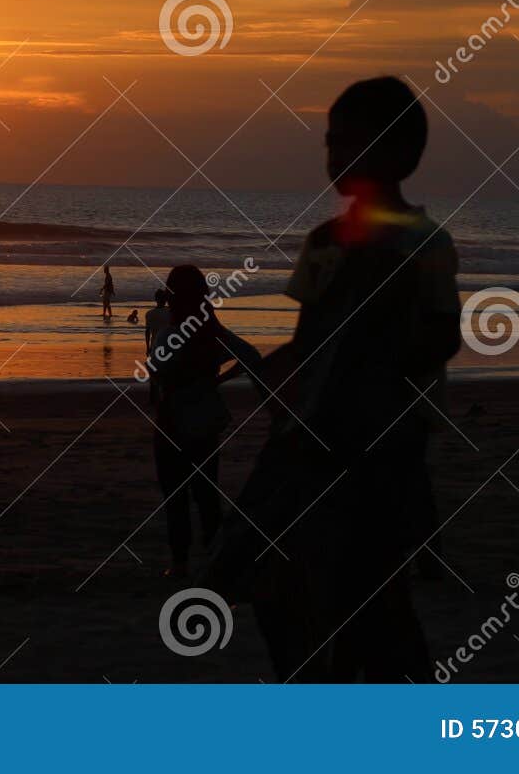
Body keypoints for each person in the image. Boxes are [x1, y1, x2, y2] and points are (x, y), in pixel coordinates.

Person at [205, 76, 461, 683]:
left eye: (350, 144)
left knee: (368, 598)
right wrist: (281, 376)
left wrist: (375, 336)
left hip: (380, 446)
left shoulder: (424, 244)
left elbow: (442, 337)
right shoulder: (323, 243)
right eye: (331, 143)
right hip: (310, 439)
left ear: (400, 154)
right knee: (283, 593)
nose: (335, 158)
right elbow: (309, 335)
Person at [145, 265, 262, 577]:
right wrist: (217, 380)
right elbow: (252, 355)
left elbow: (156, 372)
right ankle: (214, 560)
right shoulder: (212, 331)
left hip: (172, 422)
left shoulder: (170, 333)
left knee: (175, 496)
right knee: (207, 494)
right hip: (205, 422)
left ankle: (180, 563)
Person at [144, 287, 172, 355]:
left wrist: (148, 348)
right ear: (165, 299)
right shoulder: (171, 312)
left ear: (156, 299)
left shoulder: (149, 313)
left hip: (155, 345)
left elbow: (147, 332)